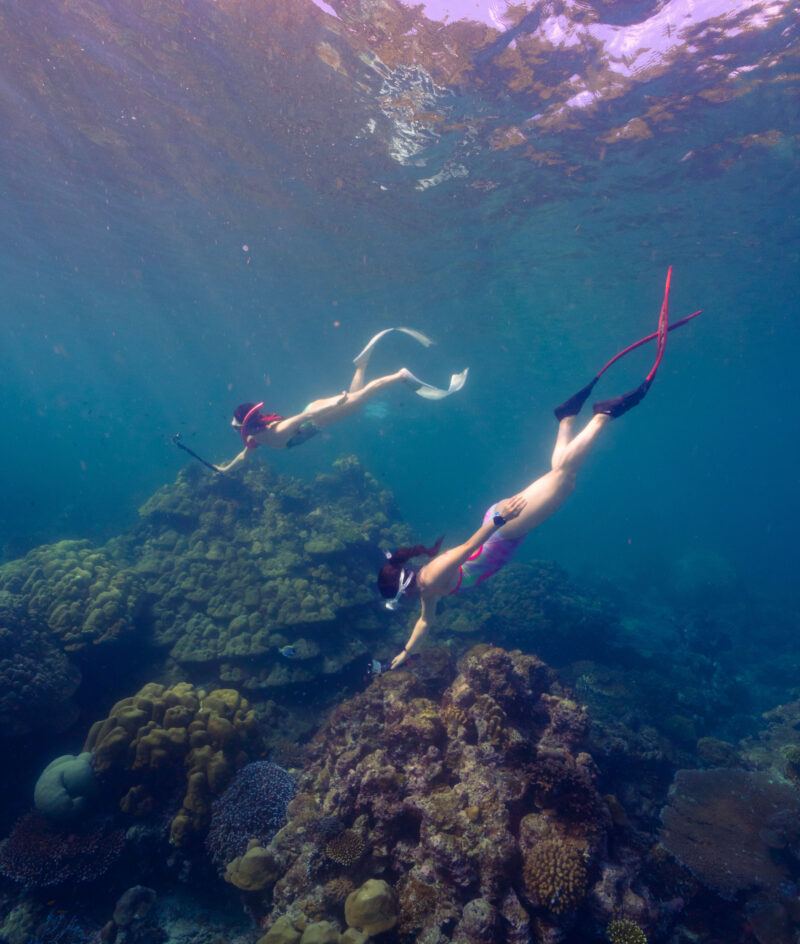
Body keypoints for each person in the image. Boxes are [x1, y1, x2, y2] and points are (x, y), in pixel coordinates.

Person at [378, 269, 700, 670]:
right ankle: (567, 418)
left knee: (565, 481)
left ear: (403, 591)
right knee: (559, 474)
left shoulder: (432, 578)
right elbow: (426, 622)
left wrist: (498, 520)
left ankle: (603, 416)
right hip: (504, 526)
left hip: (505, 527)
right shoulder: (426, 591)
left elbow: (463, 551)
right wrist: (405, 654)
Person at [216, 328, 468, 472]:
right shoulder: (253, 439)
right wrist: (225, 470)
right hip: (316, 411)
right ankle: (361, 365)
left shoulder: (277, 431)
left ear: (248, 426)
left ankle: (399, 376)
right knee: (358, 400)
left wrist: (335, 405)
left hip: (321, 416)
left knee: (362, 397)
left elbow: (306, 417)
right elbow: (242, 458)